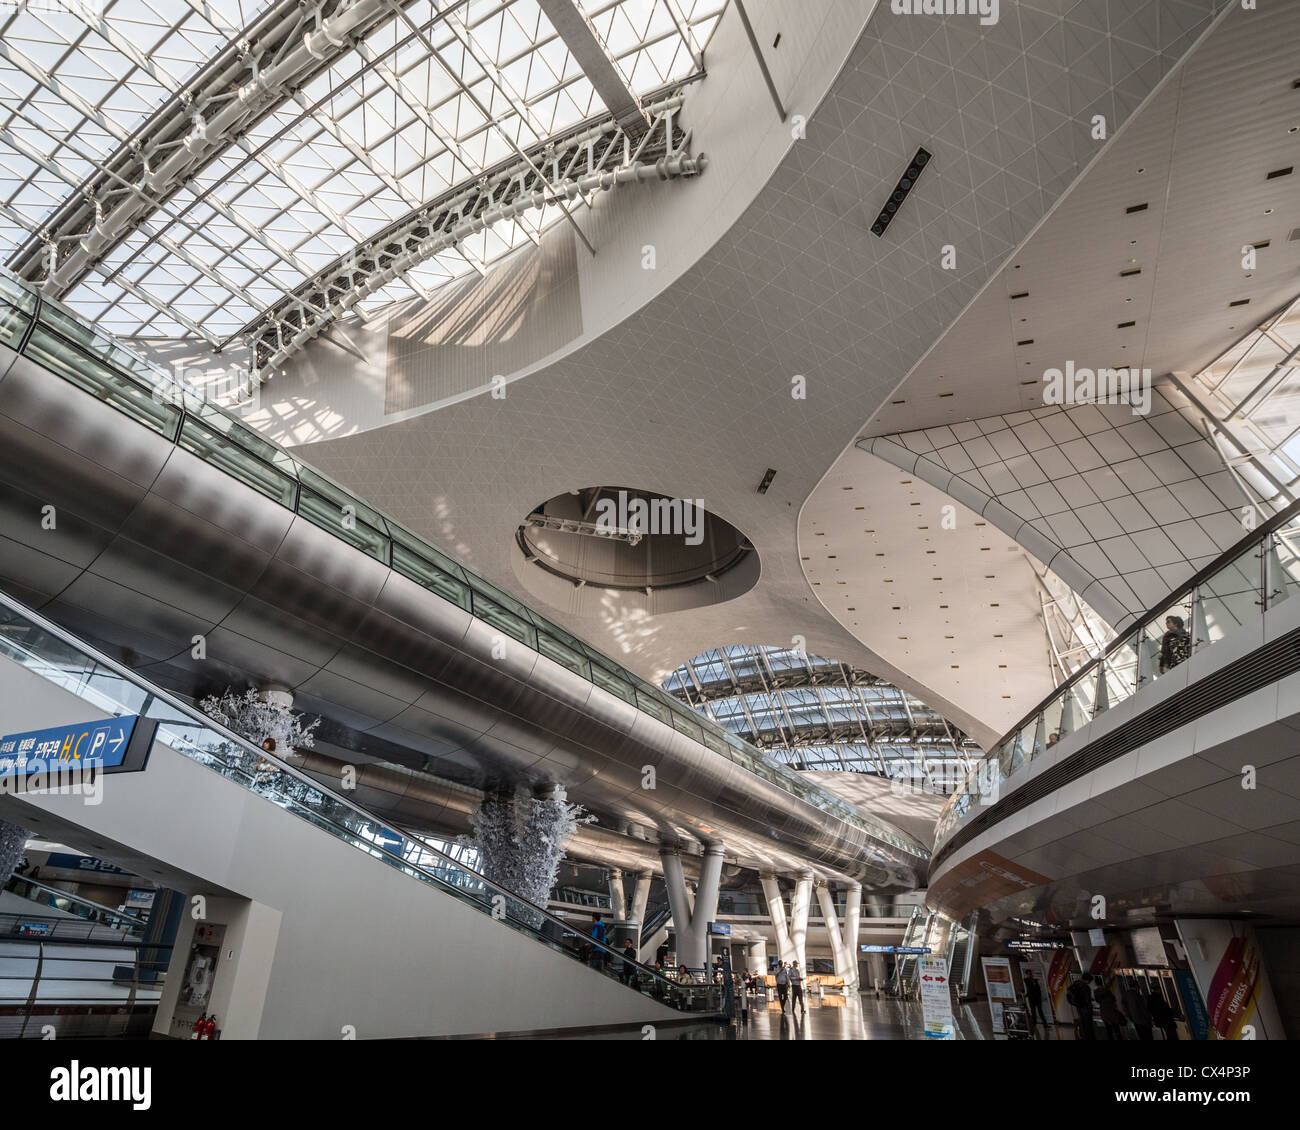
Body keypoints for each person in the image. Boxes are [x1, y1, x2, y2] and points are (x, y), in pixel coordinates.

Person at [1066, 973, 1096, 1040]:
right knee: (1089, 1027)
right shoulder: (1085, 987)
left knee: (1083, 1026)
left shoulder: (1075, 984)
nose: (1089, 983)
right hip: (1086, 1009)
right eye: (1089, 981)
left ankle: (1084, 1037)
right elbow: (1087, 1000)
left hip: (1079, 1008)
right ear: (1087, 980)